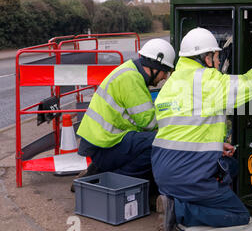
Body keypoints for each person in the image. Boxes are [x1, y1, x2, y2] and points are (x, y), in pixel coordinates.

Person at [151, 27, 252, 231]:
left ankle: (175, 200)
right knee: (239, 215)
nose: (219, 63)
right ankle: (179, 210)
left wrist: (217, 146)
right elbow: (250, 84)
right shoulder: (206, 81)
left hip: (163, 172)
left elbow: (186, 127)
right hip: (189, 176)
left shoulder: (171, 83)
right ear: (206, 58)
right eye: (217, 57)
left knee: (232, 165)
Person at [71, 38, 176, 194]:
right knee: (159, 143)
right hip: (105, 145)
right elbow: (150, 122)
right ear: (155, 66)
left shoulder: (130, 71)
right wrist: (177, 121)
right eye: (164, 71)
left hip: (103, 142)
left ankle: (99, 172)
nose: (164, 77)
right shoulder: (132, 79)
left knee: (148, 140)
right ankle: (115, 182)